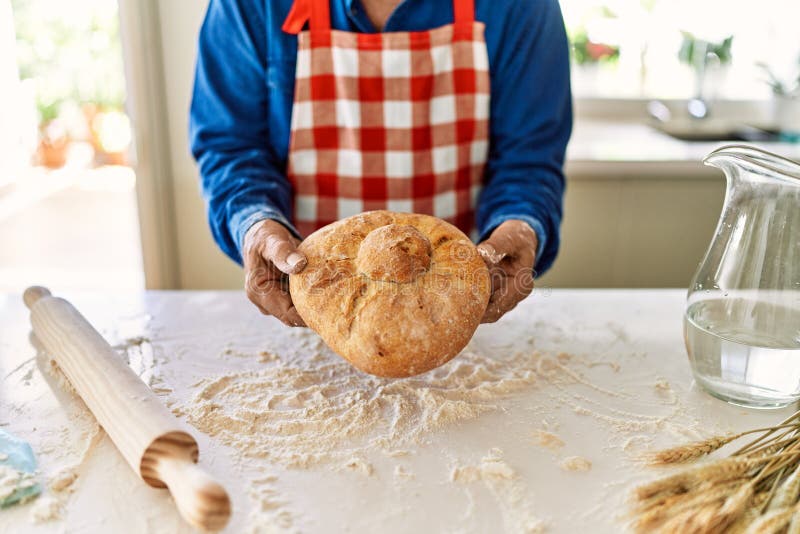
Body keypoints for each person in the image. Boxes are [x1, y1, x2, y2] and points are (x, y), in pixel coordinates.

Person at [190, 0, 572, 327]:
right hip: (300, 308)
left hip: (462, 312)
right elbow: (231, 146)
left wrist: (521, 224)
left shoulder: (523, 6)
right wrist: (255, 224)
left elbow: (529, 158)